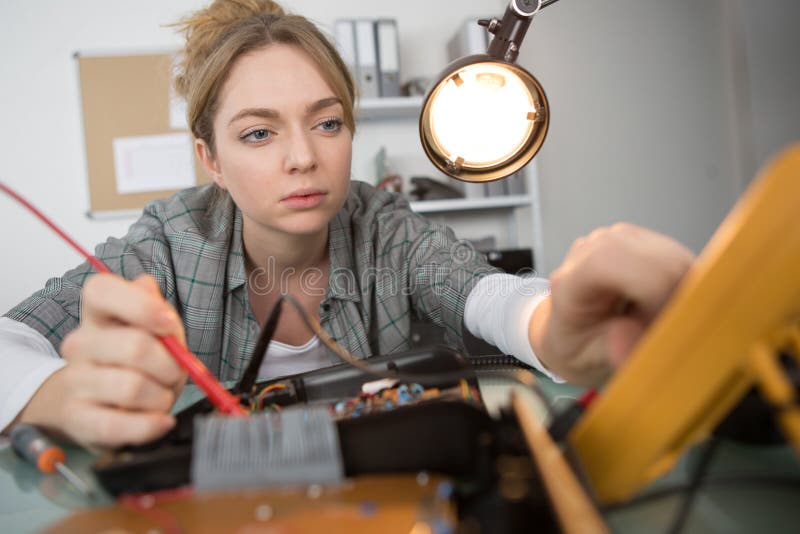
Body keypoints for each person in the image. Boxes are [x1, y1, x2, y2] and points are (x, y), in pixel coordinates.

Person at [0, 0, 693, 448]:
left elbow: (481, 292)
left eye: (326, 122)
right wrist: (52, 392)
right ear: (210, 159)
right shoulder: (167, 240)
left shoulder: (383, 226)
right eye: (258, 134)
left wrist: (554, 325)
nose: (304, 157)